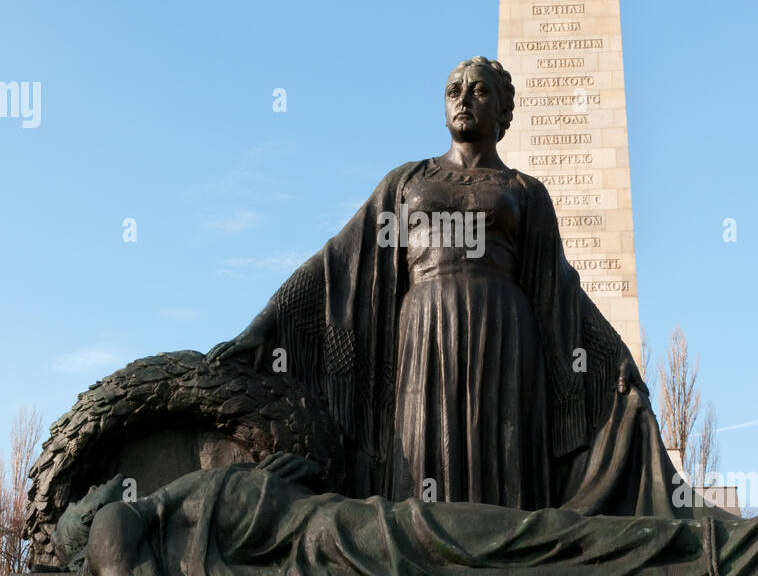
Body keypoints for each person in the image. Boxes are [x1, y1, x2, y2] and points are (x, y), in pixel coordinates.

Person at [207, 56, 660, 514]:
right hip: (425, 329)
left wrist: (614, 354)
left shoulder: (525, 191)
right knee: (423, 452)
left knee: (503, 458)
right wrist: (266, 322)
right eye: (453, 90)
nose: (463, 99)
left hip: (504, 335)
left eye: (479, 90)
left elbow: (560, 289)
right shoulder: (407, 181)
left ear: (503, 110)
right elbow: (338, 260)